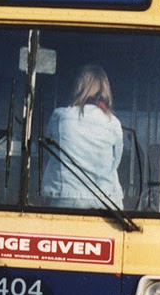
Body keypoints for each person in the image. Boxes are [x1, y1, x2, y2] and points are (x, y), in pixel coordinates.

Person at [41, 64, 124, 209]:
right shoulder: (114, 123)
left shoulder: (60, 117)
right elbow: (115, 162)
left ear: (79, 87)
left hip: (67, 197)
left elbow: (49, 151)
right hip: (108, 202)